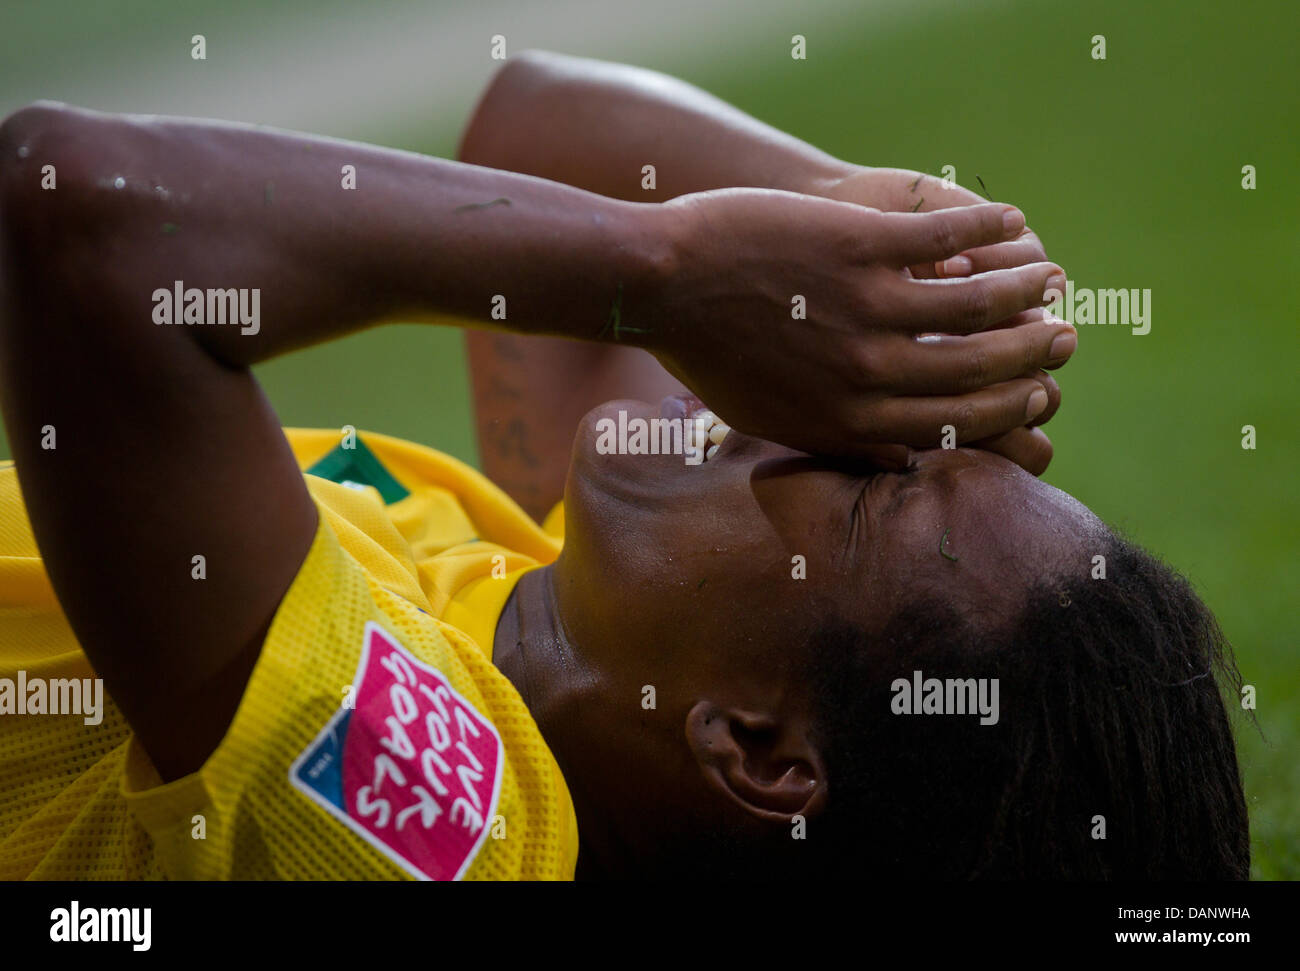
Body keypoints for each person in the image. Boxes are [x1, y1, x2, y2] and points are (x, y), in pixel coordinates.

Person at [0, 51, 1246, 880]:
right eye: (926, 431)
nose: (847, 418)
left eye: (873, 481)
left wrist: (665, 274)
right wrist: (886, 234)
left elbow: (77, 211)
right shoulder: (577, 618)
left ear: (757, 752)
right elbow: (538, 121)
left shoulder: (451, 829)